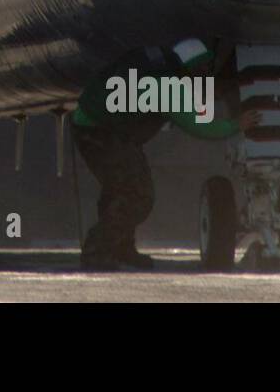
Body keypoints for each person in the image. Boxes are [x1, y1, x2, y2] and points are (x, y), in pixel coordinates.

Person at [71, 39, 252, 271]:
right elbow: (201, 127)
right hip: (99, 131)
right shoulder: (168, 87)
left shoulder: (159, 65)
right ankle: (97, 252)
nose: (203, 78)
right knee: (136, 195)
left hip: (101, 127)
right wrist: (236, 124)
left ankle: (119, 249)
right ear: (190, 69)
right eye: (201, 73)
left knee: (121, 188)